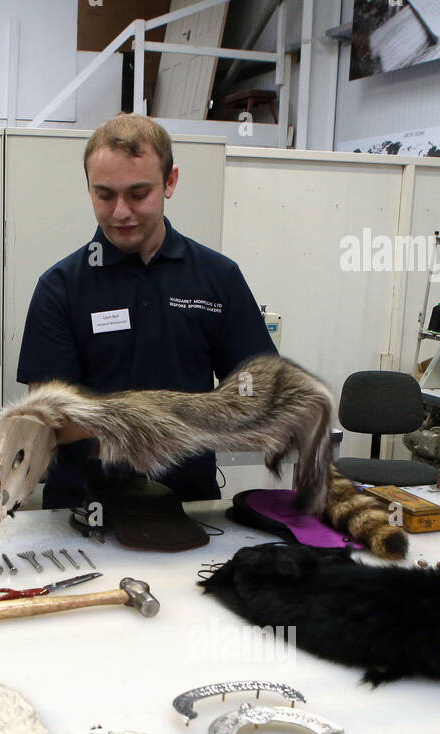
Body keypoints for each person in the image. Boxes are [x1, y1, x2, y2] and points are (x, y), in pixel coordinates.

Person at [16, 112, 276, 508]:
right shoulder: (61, 287)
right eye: (104, 195)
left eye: (138, 194)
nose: (120, 212)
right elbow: (46, 420)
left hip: (188, 506)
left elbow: (260, 396)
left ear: (170, 183)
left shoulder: (217, 278)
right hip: (82, 508)